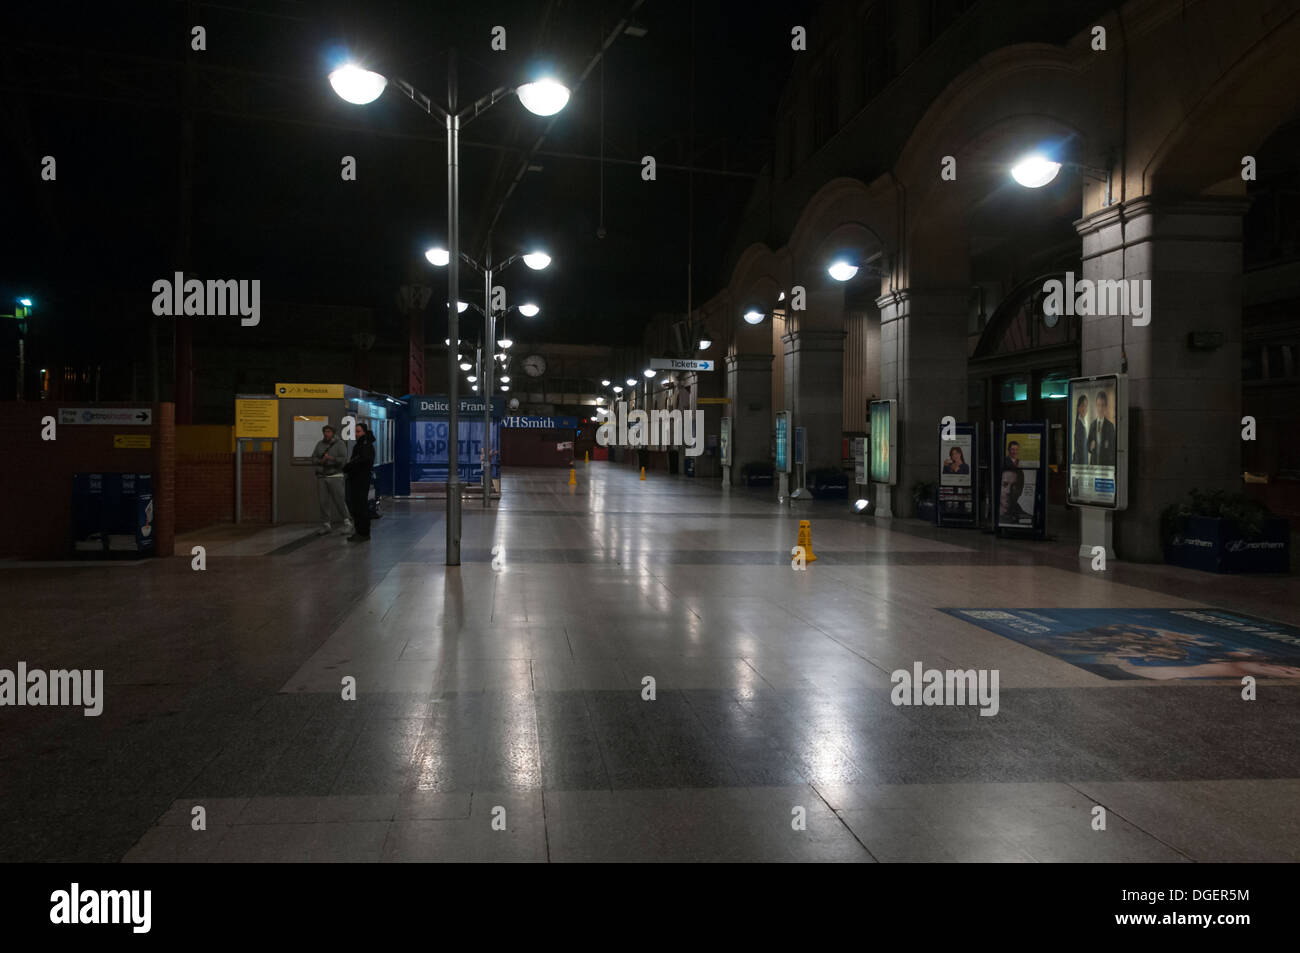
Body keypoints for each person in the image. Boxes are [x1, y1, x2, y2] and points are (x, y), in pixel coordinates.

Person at [310, 424, 352, 536]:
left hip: (335, 476)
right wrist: (321, 461)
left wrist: (331, 459)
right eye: (325, 431)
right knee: (323, 502)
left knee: (339, 501)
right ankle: (326, 524)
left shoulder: (340, 444)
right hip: (321, 476)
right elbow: (313, 458)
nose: (326, 434)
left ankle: (347, 522)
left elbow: (343, 460)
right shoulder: (320, 444)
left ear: (333, 432)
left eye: (328, 431)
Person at [343, 421, 376, 542]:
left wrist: (349, 466)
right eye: (355, 432)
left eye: (358, 431)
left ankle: (362, 532)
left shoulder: (364, 445)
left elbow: (362, 461)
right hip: (358, 479)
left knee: (360, 506)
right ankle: (360, 532)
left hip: (360, 479)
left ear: (364, 432)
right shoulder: (362, 445)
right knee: (358, 505)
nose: (356, 434)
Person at [1088, 389, 1117, 467]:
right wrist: (1090, 446)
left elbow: (1113, 450)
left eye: (1103, 405)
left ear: (1106, 407)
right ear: (1096, 406)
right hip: (1094, 465)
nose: (1100, 408)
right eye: (1098, 405)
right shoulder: (1092, 425)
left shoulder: (1110, 426)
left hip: (1105, 467)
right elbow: (1088, 445)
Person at [1072, 393, 1089, 465]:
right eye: (1082, 406)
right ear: (1078, 408)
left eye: (1086, 406)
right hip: (1080, 465)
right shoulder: (1079, 425)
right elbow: (1079, 451)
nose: (1084, 408)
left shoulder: (1084, 423)